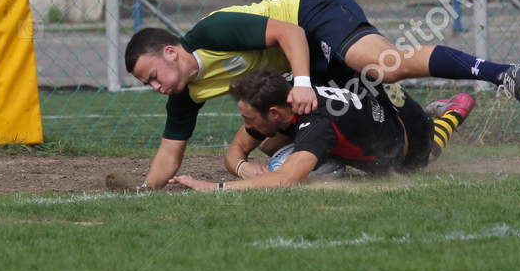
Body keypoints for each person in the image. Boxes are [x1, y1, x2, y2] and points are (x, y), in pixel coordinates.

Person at [126, 0, 520, 188]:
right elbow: (170, 152)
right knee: (274, 141)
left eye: (152, 75)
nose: (154, 86)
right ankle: (421, 121)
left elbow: (289, 33)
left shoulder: (211, 31)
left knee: (384, 65)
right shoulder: (184, 94)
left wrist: (302, 83)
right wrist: (147, 191)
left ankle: (503, 73)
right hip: (309, 66)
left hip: (314, 17)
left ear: (170, 52)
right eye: (148, 83)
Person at [169, 68, 476, 191]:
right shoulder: (289, 92)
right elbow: (235, 151)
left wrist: (215, 187)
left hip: (408, 144)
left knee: (427, 154)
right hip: (378, 109)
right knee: (268, 144)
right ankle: (427, 113)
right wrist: (242, 166)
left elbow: (285, 179)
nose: (246, 127)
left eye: (249, 120)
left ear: (274, 112)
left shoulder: (316, 124)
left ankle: (450, 113)